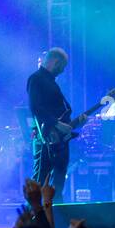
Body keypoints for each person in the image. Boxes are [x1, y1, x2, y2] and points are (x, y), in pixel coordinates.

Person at [27, 47, 78, 192]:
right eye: (62, 66)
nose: (62, 70)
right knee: (40, 181)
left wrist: (71, 123)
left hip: (59, 141)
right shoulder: (36, 79)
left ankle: (55, 212)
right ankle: (32, 213)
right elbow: (36, 107)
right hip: (46, 139)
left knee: (57, 185)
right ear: (55, 62)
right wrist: (57, 124)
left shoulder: (52, 82)